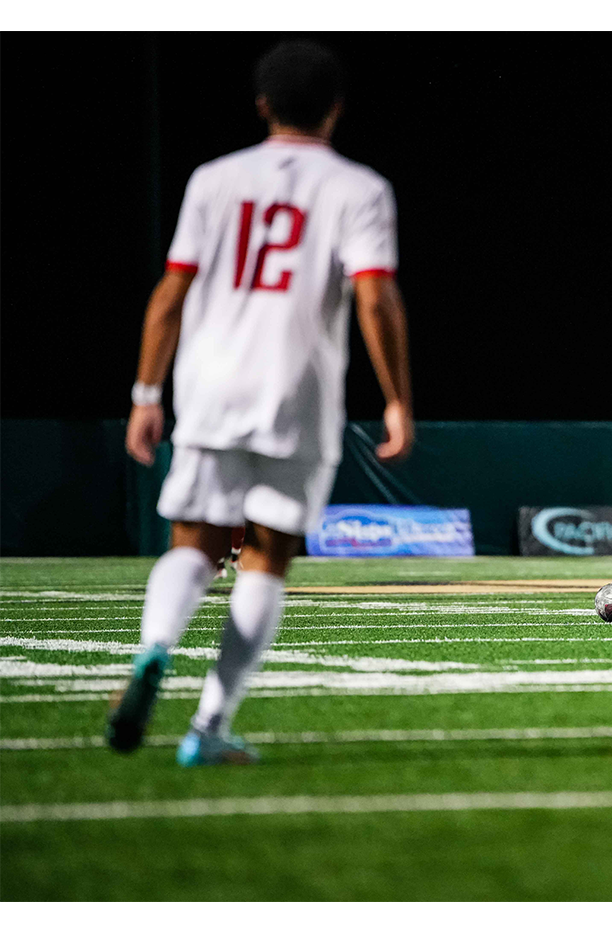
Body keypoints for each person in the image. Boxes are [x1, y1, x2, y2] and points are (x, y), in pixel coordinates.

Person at [109, 40, 414, 765]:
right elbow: (375, 297)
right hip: (295, 389)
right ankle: (209, 727)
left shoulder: (214, 178)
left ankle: (155, 647)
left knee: (195, 540)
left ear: (262, 105)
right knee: (267, 556)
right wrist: (398, 398)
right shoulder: (358, 187)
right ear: (336, 107)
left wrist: (145, 394)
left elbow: (170, 293)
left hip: (208, 382)